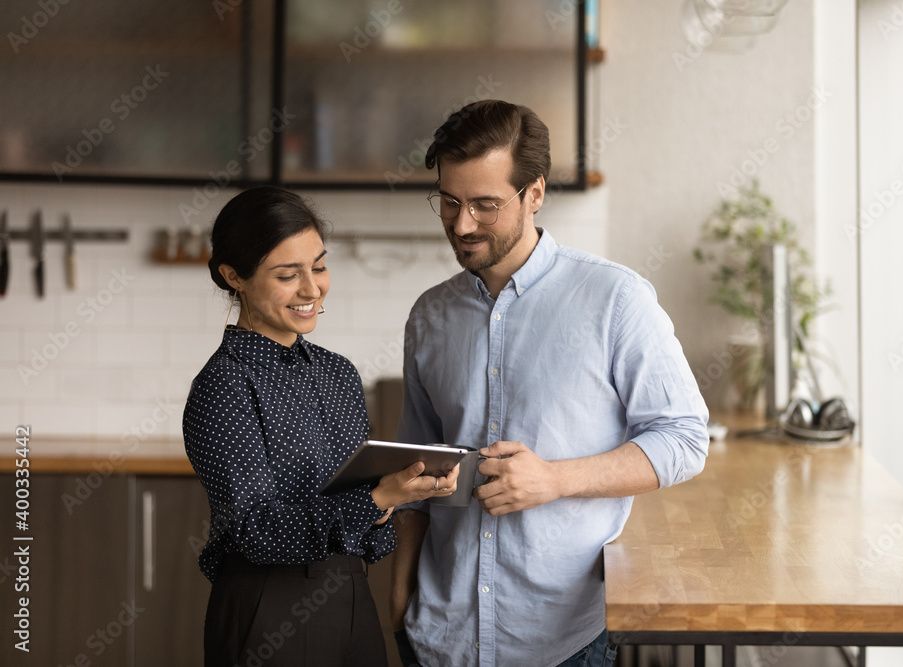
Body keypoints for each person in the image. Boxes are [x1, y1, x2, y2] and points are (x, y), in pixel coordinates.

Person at [390, 100, 710, 667]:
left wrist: (556, 480)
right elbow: (417, 467)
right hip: (439, 638)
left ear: (534, 194)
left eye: (485, 205)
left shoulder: (616, 300)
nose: (461, 224)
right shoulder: (429, 316)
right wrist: (400, 592)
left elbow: (684, 438)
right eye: (449, 200)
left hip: (559, 643)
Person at [183, 186, 460, 667]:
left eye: (319, 266)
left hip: (350, 599)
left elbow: (366, 534)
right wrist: (379, 499)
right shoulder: (225, 383)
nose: (311, 289)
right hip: (264, 610)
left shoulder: (338, 374)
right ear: (235, 277)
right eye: (288, 275)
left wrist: (394, 497)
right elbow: (254, 530)